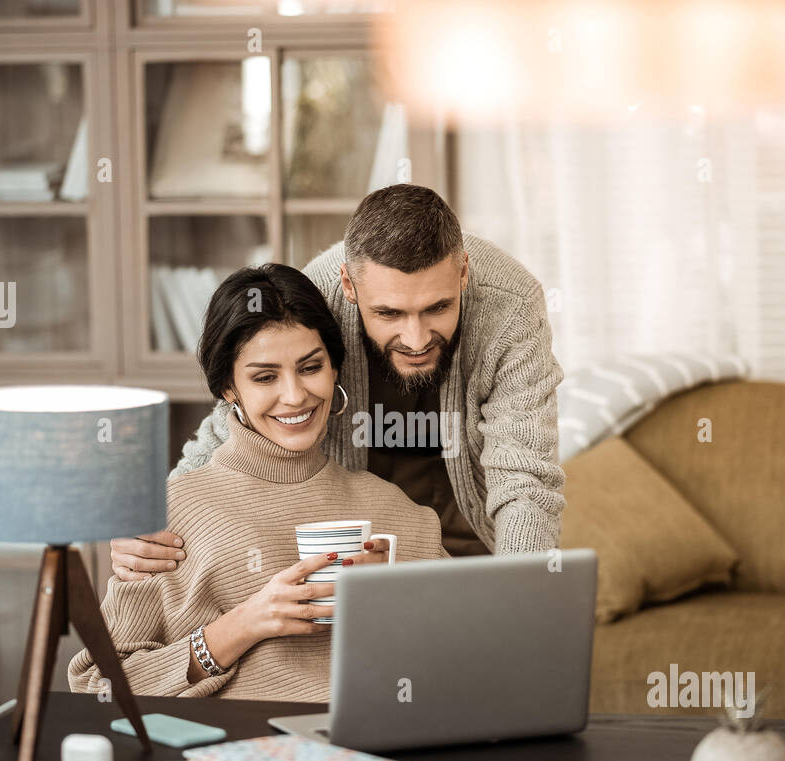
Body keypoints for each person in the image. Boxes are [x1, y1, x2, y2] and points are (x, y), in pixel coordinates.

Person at [110, 183, 564, 582]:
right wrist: (158, 518)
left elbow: (525, 477)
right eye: (388, 313)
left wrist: (518, 595)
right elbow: (234, 422)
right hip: (355, 563)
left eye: (437, 308)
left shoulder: (512, 305)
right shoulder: (317, 297)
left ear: (463, 273)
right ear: (348, 285)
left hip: (481, 557)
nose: (417, 338)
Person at [68, 264, 447, 701]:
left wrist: (397, 608)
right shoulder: (167, 518)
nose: (294, 396)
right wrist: (244, 625)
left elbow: (470, 656)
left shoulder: (394, 511)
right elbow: (96, 688)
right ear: (229, 387)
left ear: (335, 368)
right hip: (242, 757)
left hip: (379, 749)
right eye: (265, 377)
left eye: (311, 367)